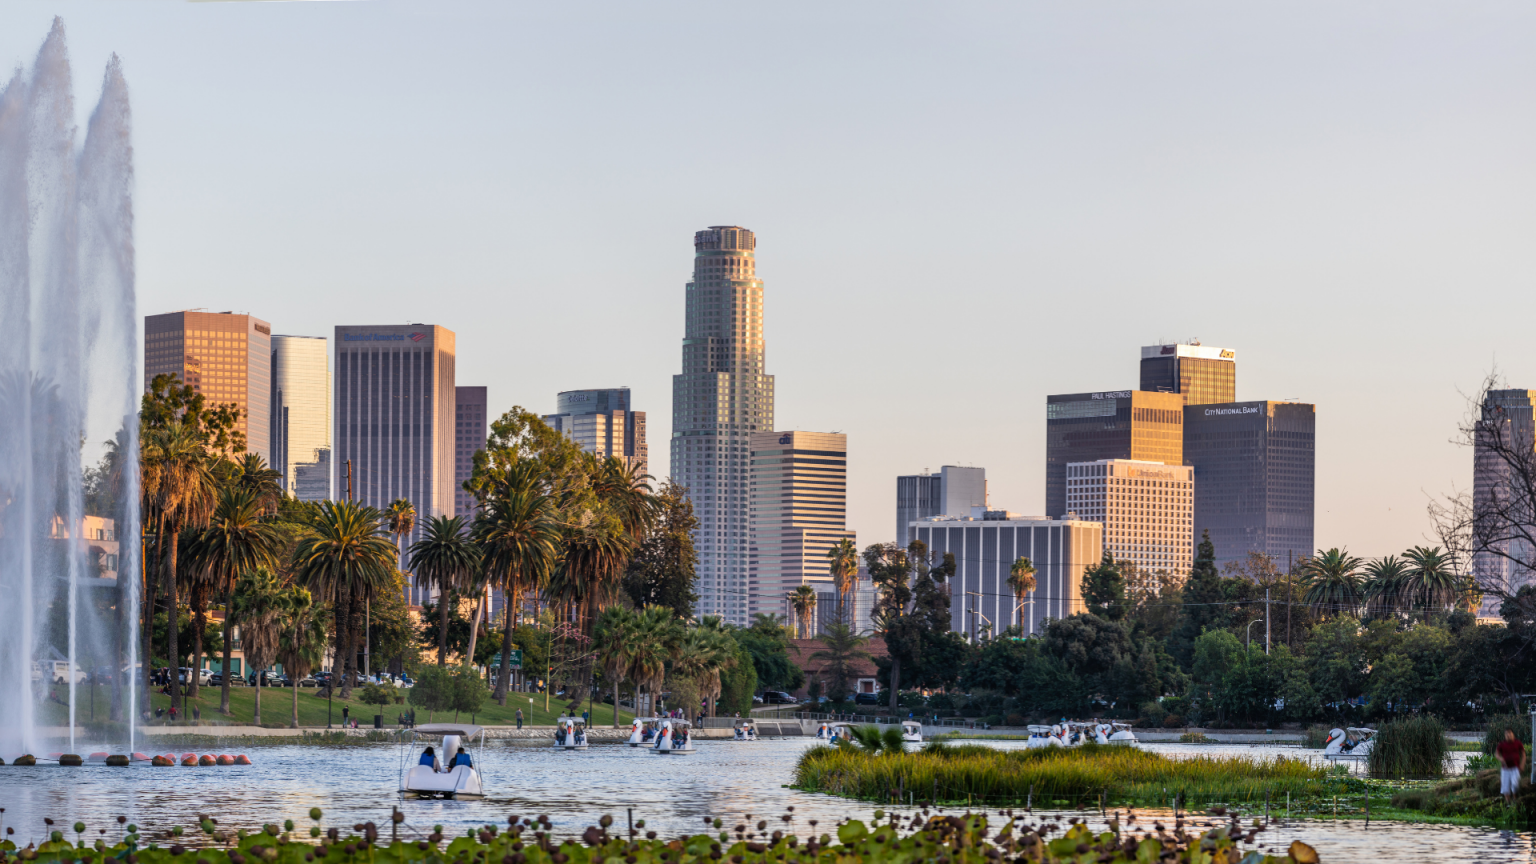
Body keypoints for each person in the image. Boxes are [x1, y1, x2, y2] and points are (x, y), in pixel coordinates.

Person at [1497, 729, 1526, 805]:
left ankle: (1515, 801)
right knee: (1505, 787)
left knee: (1515, 785)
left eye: (1509, 733)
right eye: (1506, 734)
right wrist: (1501, 759)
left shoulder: (1518, 743)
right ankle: (1508, 804)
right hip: (1505, 769)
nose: (1508, 735)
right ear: (1505, 735)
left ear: (1513, 734)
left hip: (1515, 768)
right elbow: (1496, 754)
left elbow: (1523, 755)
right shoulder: (1501, 744)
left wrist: (1522, 765)